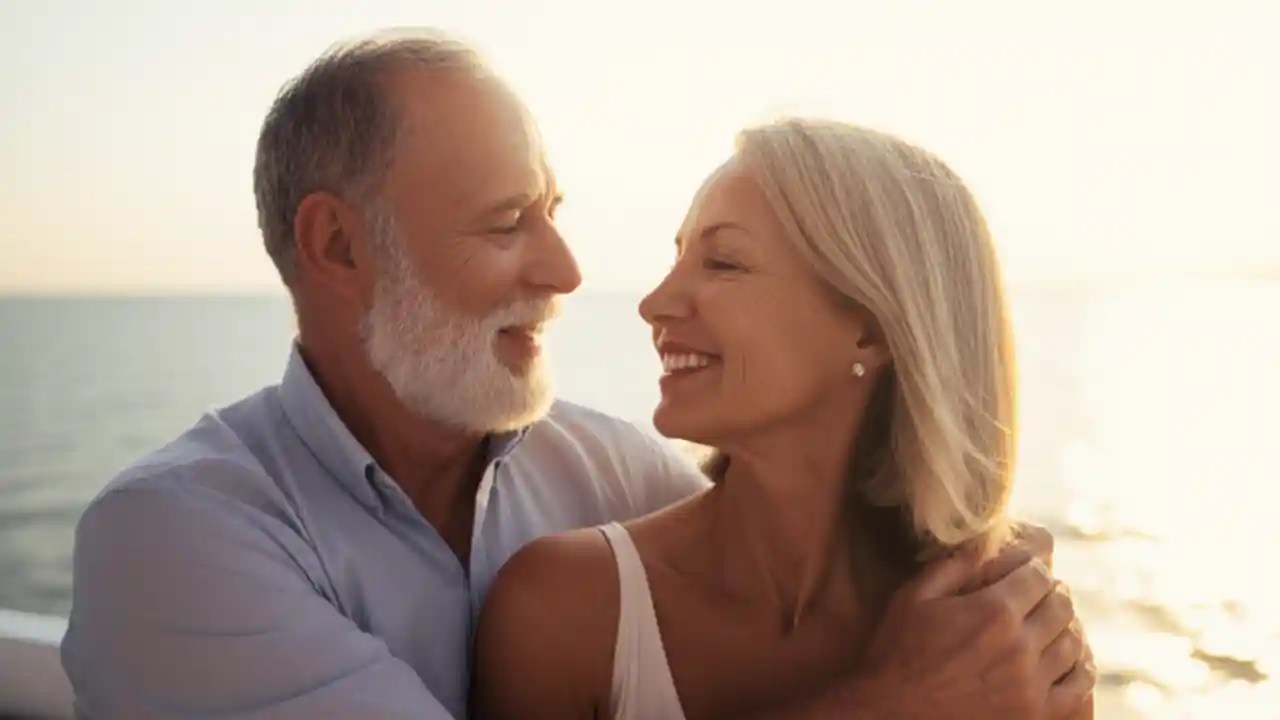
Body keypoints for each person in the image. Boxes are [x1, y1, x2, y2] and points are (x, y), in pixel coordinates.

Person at [60, 29, 1086, 719]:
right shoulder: (169, 540)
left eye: (554, 213)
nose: (570, 274)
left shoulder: (622, 478)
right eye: (508, 224)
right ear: (336, 249)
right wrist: (890, 702)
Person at [474, 120, 1095, 720]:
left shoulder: (1003, 628)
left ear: (870, 327)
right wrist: (893, 702)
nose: (655, 303)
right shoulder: (567, 611)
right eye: (679, 258)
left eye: (722, 263)